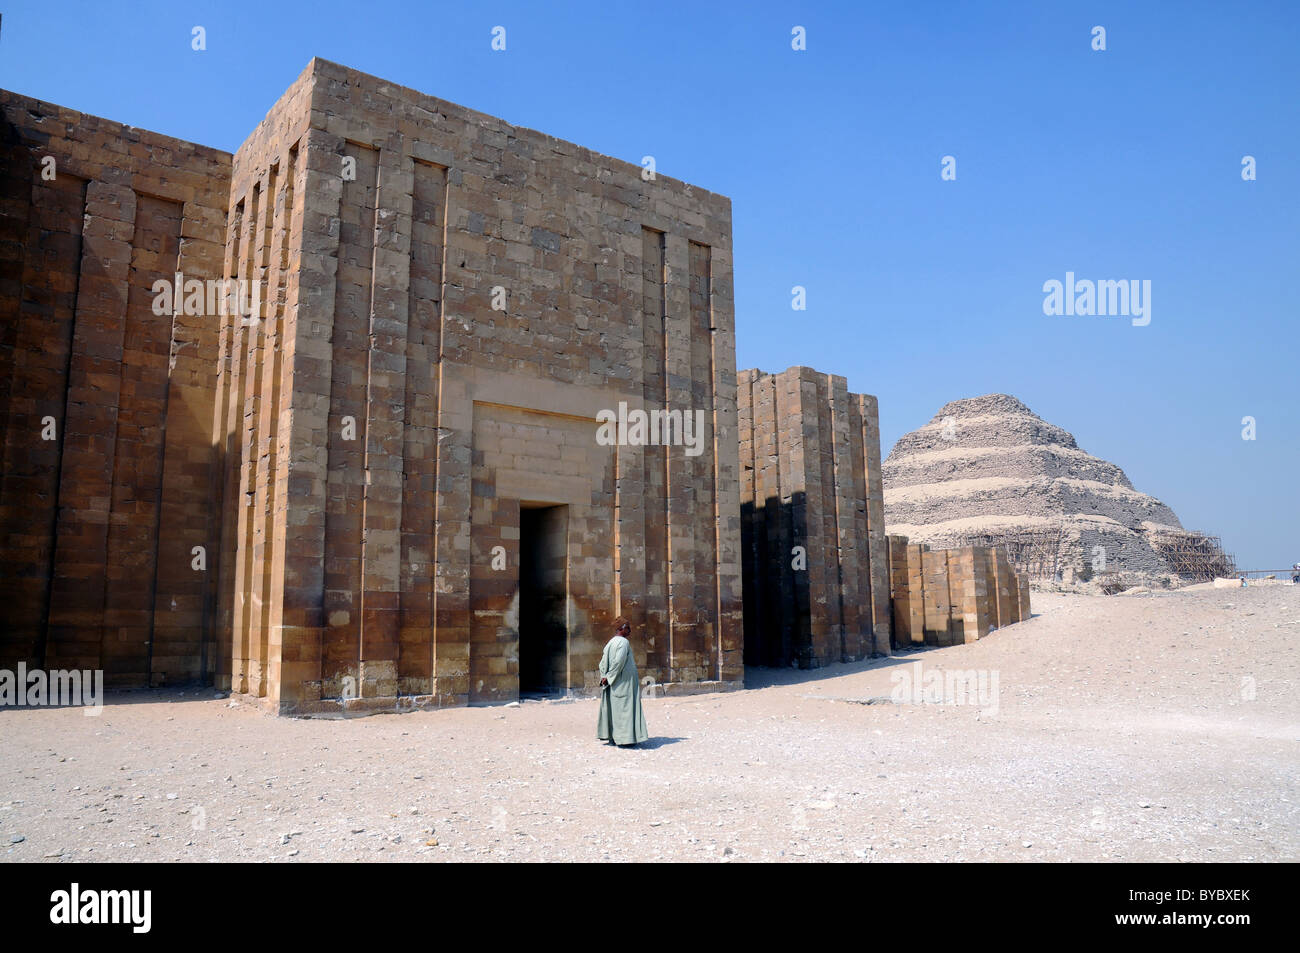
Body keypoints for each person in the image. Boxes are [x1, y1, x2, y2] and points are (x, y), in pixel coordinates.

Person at [597, 616, 649, 747]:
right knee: (625, 709)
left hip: (615, 682)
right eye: (628, 628)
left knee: (615, 709)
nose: (630, 631)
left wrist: (605, 676)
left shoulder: (610, 642)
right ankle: (625, 740)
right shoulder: (623, 643)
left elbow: (602, 663)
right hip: (622, 683)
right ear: (622, 628)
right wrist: (608, 677)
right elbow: (618, 662)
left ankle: (613, 737)